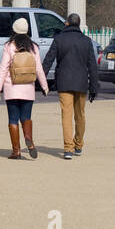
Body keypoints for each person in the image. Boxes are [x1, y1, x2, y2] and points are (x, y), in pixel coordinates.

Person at [41, 13, 100, 159]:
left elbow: (48, 60)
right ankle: (78, 145)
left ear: (67, 23)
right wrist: (94, 87)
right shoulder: (86, 41)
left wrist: (41, 81)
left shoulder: (59, 39)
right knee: (80, 116)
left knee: (66, 116)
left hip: (64, 81)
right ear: (79, 24)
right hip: (81, 82)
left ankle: (68, 149)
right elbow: (92, 66)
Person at [0, 18, 49, 159]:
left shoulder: (9, 46)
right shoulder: (33, 47)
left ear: (14, 30)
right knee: (26, 117)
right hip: (28, 89)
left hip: (12, 87)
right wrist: (44, 86)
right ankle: (29, 140)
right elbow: (39, 69)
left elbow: (3, 68)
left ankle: (16, 151)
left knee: (13, 119)